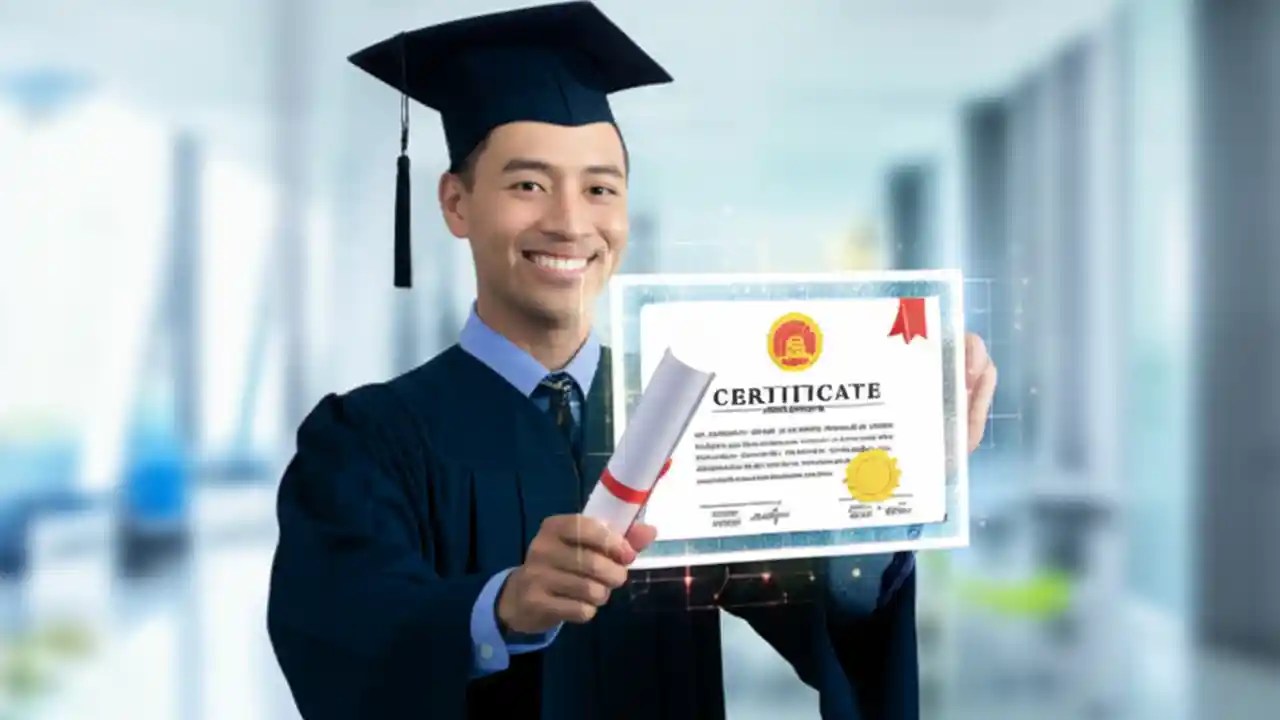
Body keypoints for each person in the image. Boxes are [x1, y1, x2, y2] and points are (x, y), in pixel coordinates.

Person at [265, 3, 999, 719]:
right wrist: (502, 606)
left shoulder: (687, 412)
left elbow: (819, 605)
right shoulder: (367, 439)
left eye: (599, 188)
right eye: (528, 184)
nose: (569, 221)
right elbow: (341, 626)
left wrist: (890, 487)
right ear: (456, 203)